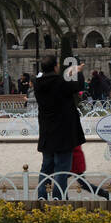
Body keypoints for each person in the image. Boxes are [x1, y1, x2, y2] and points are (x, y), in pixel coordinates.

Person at [33, 53, 86, 200]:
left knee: (46, 167)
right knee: (62, 169)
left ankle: (42, 198)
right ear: (56, 67)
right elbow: (78, 87)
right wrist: (77, 72)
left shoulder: (37, 83)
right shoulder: (61, 82)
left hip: (47, 131)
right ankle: (59, 199)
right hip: (63, 133)